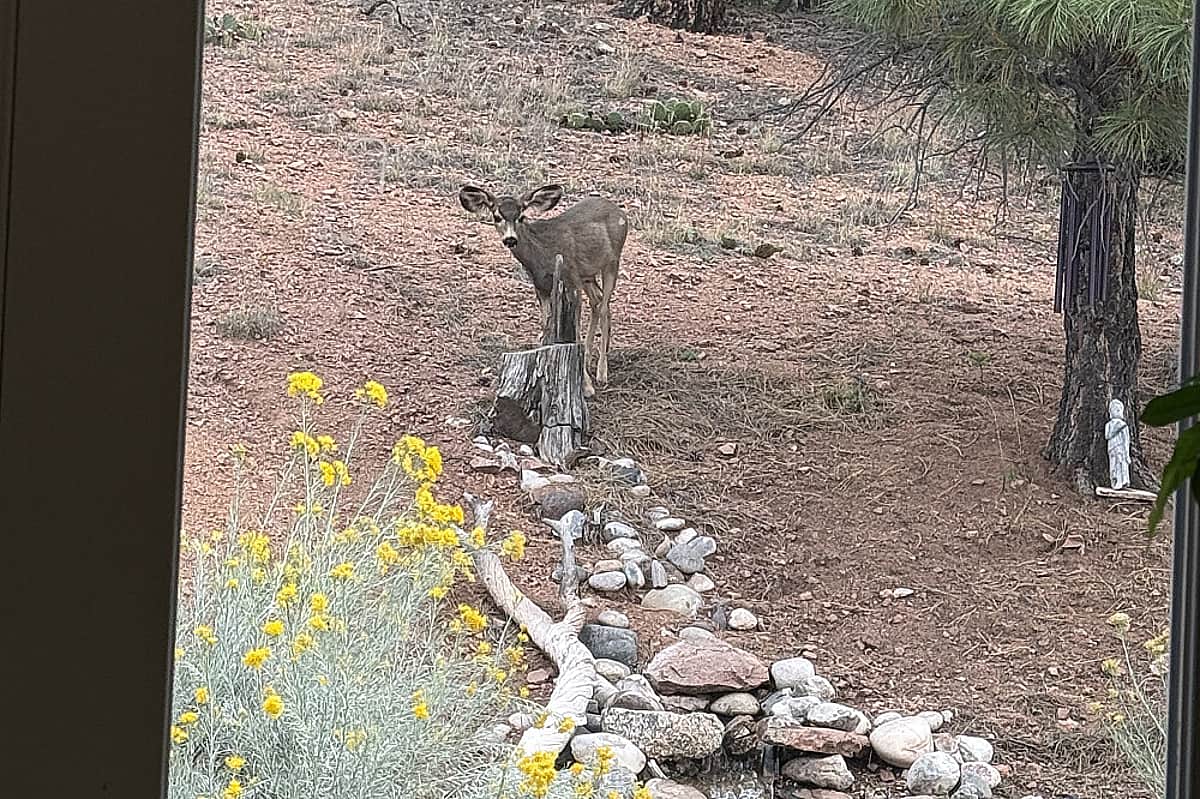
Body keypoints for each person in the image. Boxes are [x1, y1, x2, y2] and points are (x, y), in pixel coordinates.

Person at [1105, 398, 1131, 490]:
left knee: (1121, 464)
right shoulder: (1109, 424)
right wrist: (1116, 429)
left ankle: (1122, 481)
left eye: (1118, 410)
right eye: (1114, 409)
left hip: (1121, 448)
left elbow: (1126, 440)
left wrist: (1127, 453)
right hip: (1112, 447)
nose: (1117, 411)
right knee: (1113, 465)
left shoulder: (1123, 425)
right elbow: (1107, 436)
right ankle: (1115, 481)